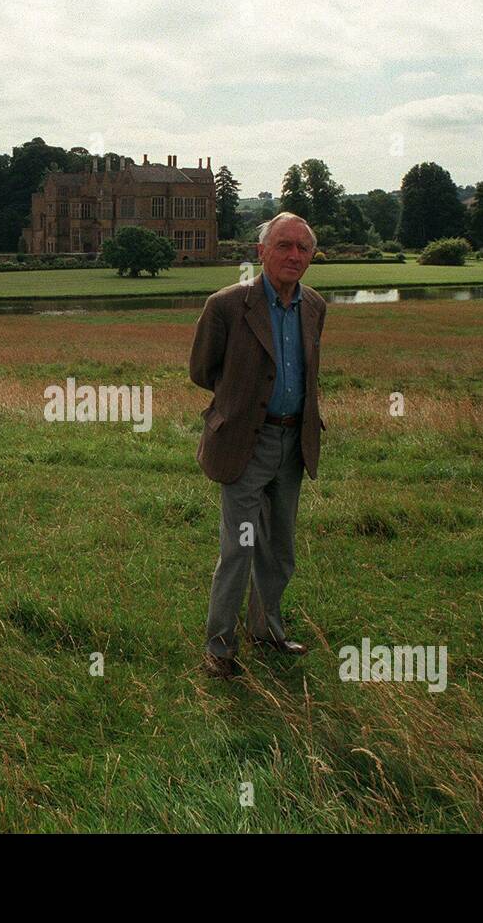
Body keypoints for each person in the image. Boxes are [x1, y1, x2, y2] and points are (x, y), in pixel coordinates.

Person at [188, 212, 327, 679]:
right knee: (239, 547)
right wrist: (241, 405)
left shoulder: (314, 306)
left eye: (302, 248)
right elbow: (202, 370)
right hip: (246, 443)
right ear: (261, 252)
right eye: (284, 246)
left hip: (294, 441)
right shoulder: (226, 305)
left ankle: (266, 631)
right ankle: (219, 650)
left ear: (311, 257)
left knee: (280, 547)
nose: (293, 255)